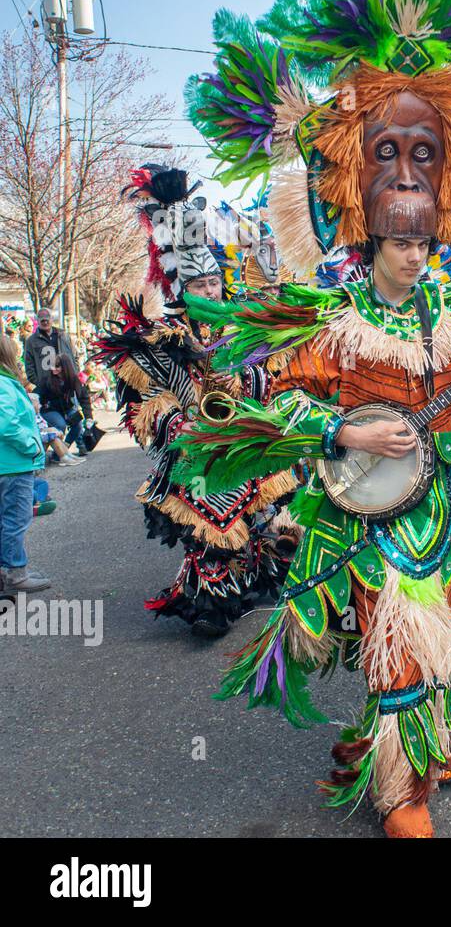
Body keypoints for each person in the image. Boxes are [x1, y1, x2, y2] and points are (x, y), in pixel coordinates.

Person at [174, 0, 451, 838]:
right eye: (400, 242)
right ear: (368, 238)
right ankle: (398, 787)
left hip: (444, 503)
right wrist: (346, 436)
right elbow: (276, 405)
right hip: (363, 508)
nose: (415, 253)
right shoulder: (330, 320)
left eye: (424, 240)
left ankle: (428, 748)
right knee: (392, 638)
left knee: (441, 635)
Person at [94, 165, 299, 638]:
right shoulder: (165, 339)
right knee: (210, 528)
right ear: (181, 290)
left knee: (255, 516)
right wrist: (176, 421)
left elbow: (267, 381)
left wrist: (248, 384)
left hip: (241, 443)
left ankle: (254, 575)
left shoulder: (239, 330)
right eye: (200, 286)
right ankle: (209, 603)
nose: (210, 291)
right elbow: (145, 398)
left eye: (214, 284)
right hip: (194, 450)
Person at [0, 335, 51, 593]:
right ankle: (15, 573)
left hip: (8, 463)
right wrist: (32, 446)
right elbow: (6, 425)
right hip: (13, 464)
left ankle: (7, 571)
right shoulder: (4, 384)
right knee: (15, 520)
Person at [34, 352, 92, 454]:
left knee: (78, 425)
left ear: (65, 367)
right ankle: (58, 453)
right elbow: (36, 395)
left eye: (57, 366)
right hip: (49, 409)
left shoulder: (73, 379)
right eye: (52, 365)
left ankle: (63, 450)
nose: (53, 368)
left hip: (67, 409)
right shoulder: (47, 379)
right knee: (60, 425)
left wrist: (89, 417)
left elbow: (84, 398)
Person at [23, 307, 78, 390]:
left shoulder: (63, 336)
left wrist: (74, 374)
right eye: (42, 321)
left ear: (52, 319)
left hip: (67, 383)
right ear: (37, 321)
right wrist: (39, 383)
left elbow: (74, 356)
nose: (45, 322)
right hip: (47, 388)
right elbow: (29, 365)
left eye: (47, 320)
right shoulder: (31, 341)